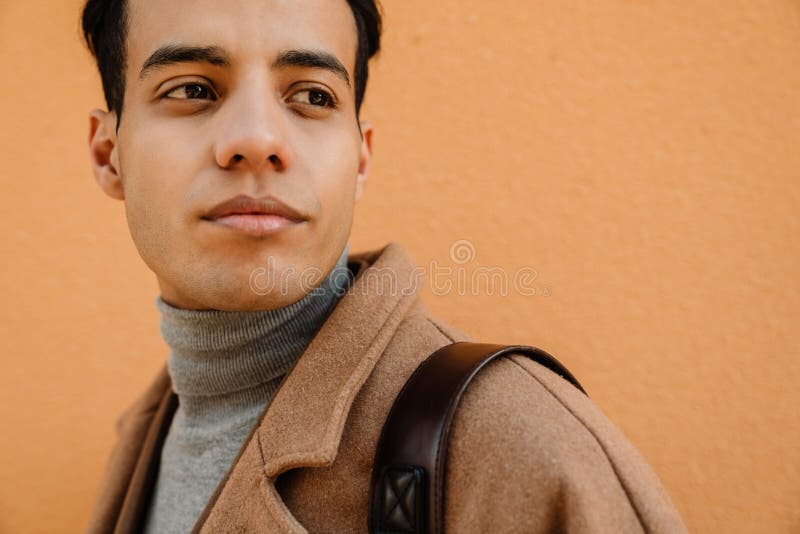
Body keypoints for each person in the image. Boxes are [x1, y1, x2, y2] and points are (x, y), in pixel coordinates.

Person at [81, 0, 688, 532]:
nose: (258, 139)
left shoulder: (524, 450)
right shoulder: (144, 435)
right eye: (192, 89)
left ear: (361, 160)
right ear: (109, 155)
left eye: (314, 97)